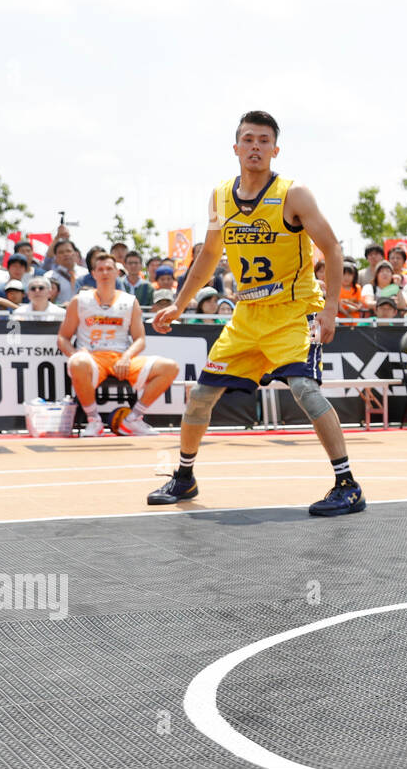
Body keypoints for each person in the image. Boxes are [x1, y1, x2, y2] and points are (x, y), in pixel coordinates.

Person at [148, 110, 366, 516]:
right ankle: (184, 476)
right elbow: (209, 254)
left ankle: (347, 485)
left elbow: (333, 248)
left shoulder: (293, 194)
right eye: (248, 139)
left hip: (293, 312)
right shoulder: (220, 197)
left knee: (305, 390)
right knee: (201, 396)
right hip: (247, 315)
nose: (255, 147)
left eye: (264, 141)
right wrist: (179, 302)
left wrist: (331, 308)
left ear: (275, 150)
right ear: (236, 147)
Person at [57, 252, 180, 437]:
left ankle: (133, 419)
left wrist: (127, 357)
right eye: (100, 269)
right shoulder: (80, 301)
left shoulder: (129, 301)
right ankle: (94, 421)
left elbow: (140, 340)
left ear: (117, 272)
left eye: (109, 268)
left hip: (122, 358)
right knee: (77, 362)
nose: (105, 273)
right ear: (93, 273)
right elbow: (62, 338)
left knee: (170, 367)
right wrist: (75, 353)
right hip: (92, 358)